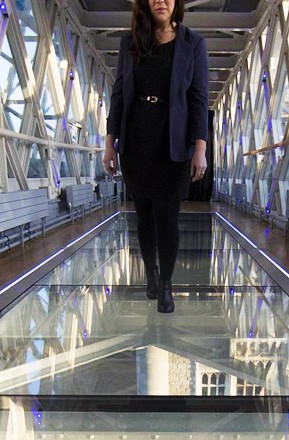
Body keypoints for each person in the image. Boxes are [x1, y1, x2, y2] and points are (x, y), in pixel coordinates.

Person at [103, 0, 209, 314]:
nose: (160, 1)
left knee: (168, 216)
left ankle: (166, 284)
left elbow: (198, 97)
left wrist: (200, 148)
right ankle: (150, 272)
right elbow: (119, 92)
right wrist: (110, 143)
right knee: (144, 214)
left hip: (173, 139)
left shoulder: (193, 43)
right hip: (137, 137)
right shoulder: (129, 41)